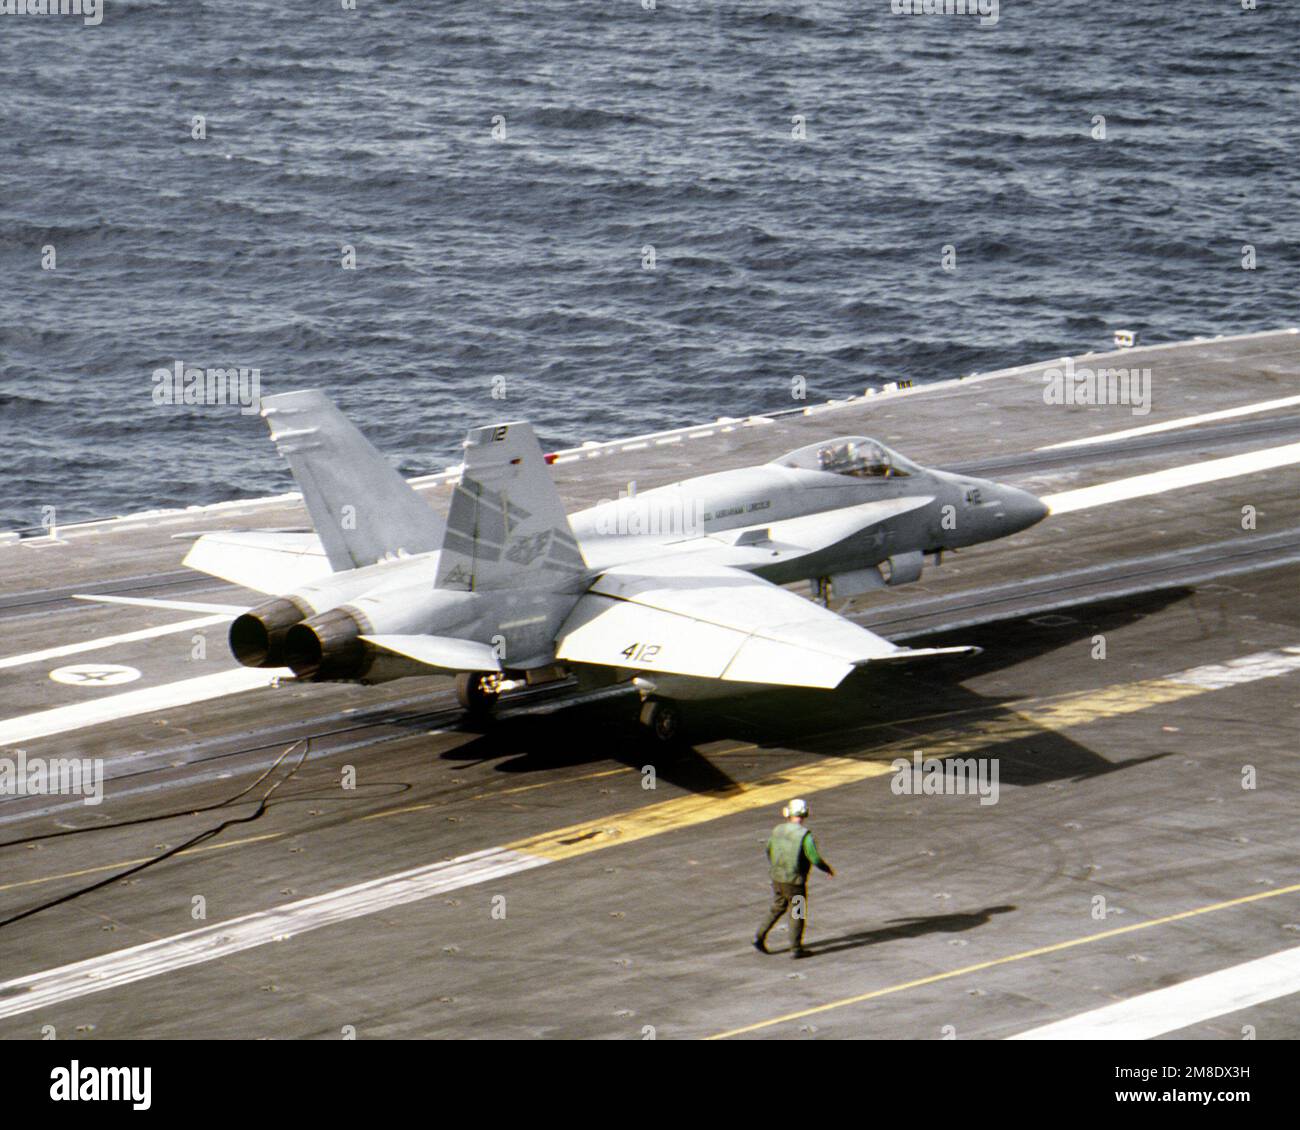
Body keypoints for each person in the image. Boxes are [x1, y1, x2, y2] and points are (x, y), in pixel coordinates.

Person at [753, 798, 834, 958]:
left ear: (788, 814)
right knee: (797, 913)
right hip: (795, 881)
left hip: (777, 878)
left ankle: (759, 937)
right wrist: (827, 869)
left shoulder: (777, 830)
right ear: (804, 814)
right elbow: (814, 858)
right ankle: (796, 948)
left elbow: (768, 850)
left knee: (777, 907)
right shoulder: (804, 835)